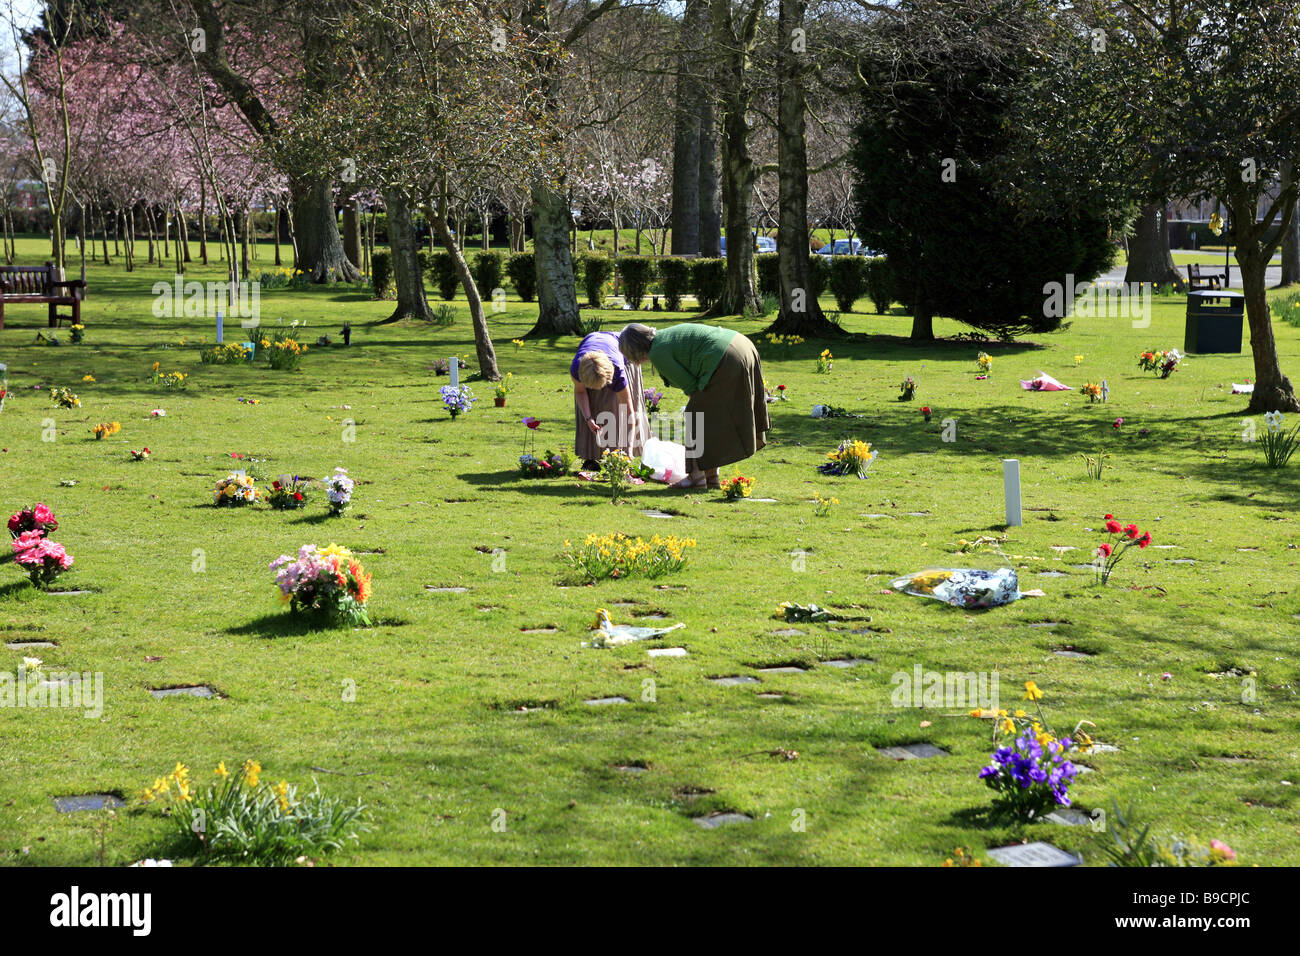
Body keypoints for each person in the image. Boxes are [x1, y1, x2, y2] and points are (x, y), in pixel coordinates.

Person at [618, 322, 769, 489]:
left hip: (726, 356)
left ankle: (696, 477)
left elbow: (690, 386)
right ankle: (710, 478)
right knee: (704, 417)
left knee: (696, 416)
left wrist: (698, 406)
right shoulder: (663, 338)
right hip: (742, 345)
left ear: (634, 349)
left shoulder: (658, 352)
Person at [570, 330, 647, 469]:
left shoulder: (618, 372)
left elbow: (630, 415)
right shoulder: (577, 367)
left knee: (614, 406)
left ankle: (619, 454)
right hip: (593, 343)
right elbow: (581, 392)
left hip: (619, 346)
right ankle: (591, 458)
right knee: (591, 406)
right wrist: (588, 419)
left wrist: (628, 450)